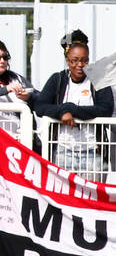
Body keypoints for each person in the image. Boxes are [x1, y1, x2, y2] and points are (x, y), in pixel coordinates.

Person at [32, 31, 114, 178]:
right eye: (74, 60)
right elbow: (40, 106)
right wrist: (61, 112)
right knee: (61, 200)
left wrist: (71, 110)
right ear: (67, 61)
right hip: (62, 151)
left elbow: (105, 109)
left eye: (84, 60)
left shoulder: (99, 79)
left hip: (92, 152)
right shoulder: (57, 79)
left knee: (93, 198)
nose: (79, 65)